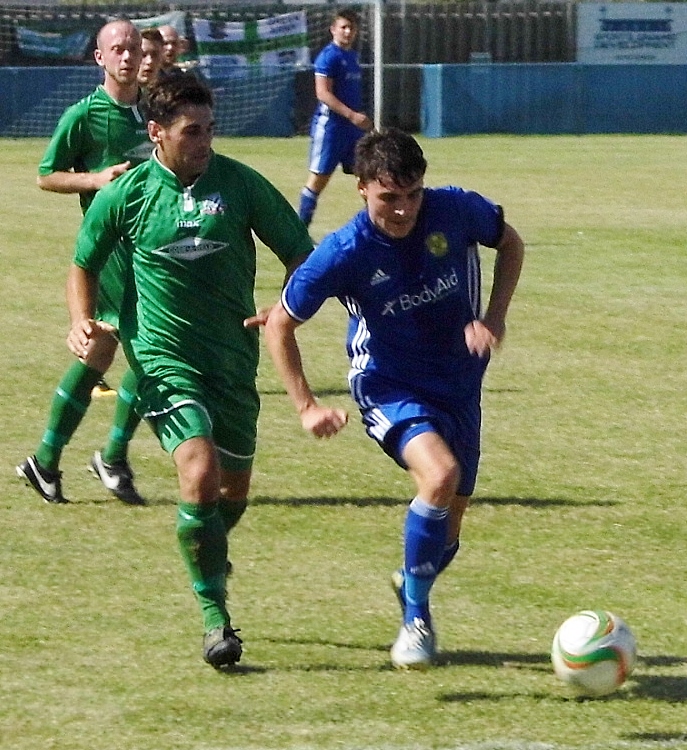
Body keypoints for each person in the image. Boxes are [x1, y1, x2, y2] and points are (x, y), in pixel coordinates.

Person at [67, 73, 312, 668]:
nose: (204, 141)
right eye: (191, 131)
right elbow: (84, 261)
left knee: (231, 497)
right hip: (161, 359)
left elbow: (303, 255)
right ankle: (215, 619)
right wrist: (81, 319)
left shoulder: (241, 184)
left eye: (209, 129)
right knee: (198, 472)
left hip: (232, 361)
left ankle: (208, 548)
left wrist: (283, 308)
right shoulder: (125, 194)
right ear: (157, 132)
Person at [264, 129, 524, 669]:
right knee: (439, 475)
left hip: (460, 383)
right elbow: (280, 325)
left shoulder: (456, 210)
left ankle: (411, 579)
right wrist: (306, 406)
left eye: (412, 194)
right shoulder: (344, 251)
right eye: (388, 198)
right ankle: (415, 622)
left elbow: (512, 243)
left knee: (447, 535)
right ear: (361, 189)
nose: (403, 210)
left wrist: (494, 317)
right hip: (389, 384)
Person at [18, 19, 153, 506]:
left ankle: (48, 460)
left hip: (152, 248)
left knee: (101, 351)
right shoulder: (84, 115)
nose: (127, 56)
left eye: (133, 48)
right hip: (114, 252)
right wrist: (96, 180)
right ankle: (111, 456)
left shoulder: (155, 109)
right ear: (100, 58)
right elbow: (46, 175)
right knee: (144, 346)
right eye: (117, 49)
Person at [298, 8, 373, 227]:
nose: (348, 32)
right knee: (317, 182)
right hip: (331, 128)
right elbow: (323, 93)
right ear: (333, 30)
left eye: (352, 28)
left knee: (367, 176)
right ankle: (298, 235)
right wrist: (352, 115)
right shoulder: (328, 57)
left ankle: (377, 226)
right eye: (343, 27)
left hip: (353, 130)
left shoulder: (352, 56)